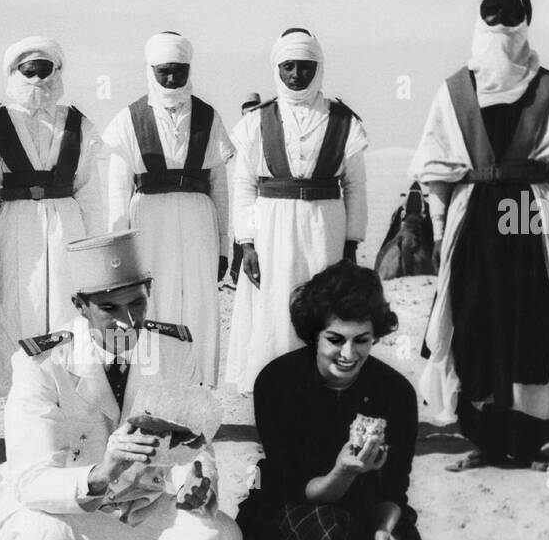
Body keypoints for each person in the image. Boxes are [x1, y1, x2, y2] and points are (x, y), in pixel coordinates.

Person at [0, 230, 244, 540]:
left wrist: (199, 480)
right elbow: (30, 481)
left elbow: (194, 443)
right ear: (80, 306)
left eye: (137, 303)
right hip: (61, 511)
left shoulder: (171, 348)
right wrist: (101, 473)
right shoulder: (41, 363)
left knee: (220, 537)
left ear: (149, 293)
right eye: (108, 308)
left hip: (141, 505)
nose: (127, 321)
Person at [412, 0, 549, 470]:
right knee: (474, 318)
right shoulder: (456, 90)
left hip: (527, 217)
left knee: (530, 319)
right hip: (472, 218)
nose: (500, 23)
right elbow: (437, 173)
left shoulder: (546, 88)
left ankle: (528, 440)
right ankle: (486, 440)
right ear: (479, 17)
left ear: (526, 20)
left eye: (510, 14)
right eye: (492, 13)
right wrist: (436, 230)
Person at [234, 262, 433, 540]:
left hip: (368, 514)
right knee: (333, 534)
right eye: (335, 339)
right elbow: (295, 484)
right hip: (292, 514)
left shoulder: (395, 393)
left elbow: (395, 487)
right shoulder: (278, 383)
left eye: (362, 340)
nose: (348, 354)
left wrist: (385, 530)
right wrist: (343, 471)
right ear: (314, 334)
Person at [226, 28, 370, 394]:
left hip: (325, 228)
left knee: (322, 308)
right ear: (277, 68)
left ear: (318, 68)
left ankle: (321, 391)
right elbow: (243, 187)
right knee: (275, 312)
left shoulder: (343, 122)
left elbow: (354, 186)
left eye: (304, 67)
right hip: (272, 229)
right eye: (288, 66)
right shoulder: (257, 122)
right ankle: (275, 394)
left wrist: (351, 243)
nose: (296, 75)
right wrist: (247, 243)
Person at [101, 32, 234, 387]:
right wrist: (119, 252)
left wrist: (224, 245)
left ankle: (198, 389)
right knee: (151, 304)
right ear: (151, 71)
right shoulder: (128, 120)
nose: (172, 79)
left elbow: (220, 186)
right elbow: (117, 191)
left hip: (198, 223)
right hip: (148, 223)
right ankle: (147, 391)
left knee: (199, 306)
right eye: (165, 72)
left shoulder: (208, 117)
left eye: (179, 71)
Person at [0, 36, 104, 397]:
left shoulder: (77, 124)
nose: (37, 80)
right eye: (28, 72)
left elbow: (90, 195)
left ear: (57, 72)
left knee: (70, 317)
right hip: (16, 230)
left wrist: (94, 255)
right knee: (21, 313)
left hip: (67, 227)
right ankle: (26, 403)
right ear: (15, 73)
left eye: (44, 71)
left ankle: (71, 404)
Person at [225, 92, 263, 288]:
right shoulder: (237, 134)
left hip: (264, 196)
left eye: (254, 106)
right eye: (247, 107)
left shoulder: (266, 130)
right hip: (244, 195)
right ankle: (236, 273)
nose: (251, 111)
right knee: (243, 234)